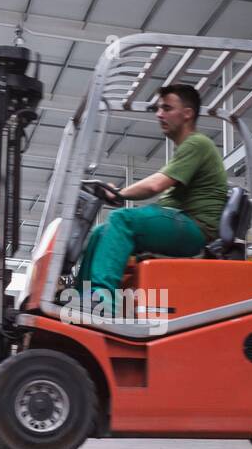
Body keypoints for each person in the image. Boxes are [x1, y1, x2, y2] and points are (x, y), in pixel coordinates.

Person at [76, 83, 229, 306]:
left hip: (193, 227)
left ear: (187, 114)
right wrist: (117, 194)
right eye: (158, 109)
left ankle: (103, 299)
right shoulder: (187, 148)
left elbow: (155, 185)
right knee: (100, 231)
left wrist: (118, 193)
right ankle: (80, 297)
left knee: (121, 219)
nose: (159, 114)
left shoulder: (197, 143)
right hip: (179, 222)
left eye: (166, 108)